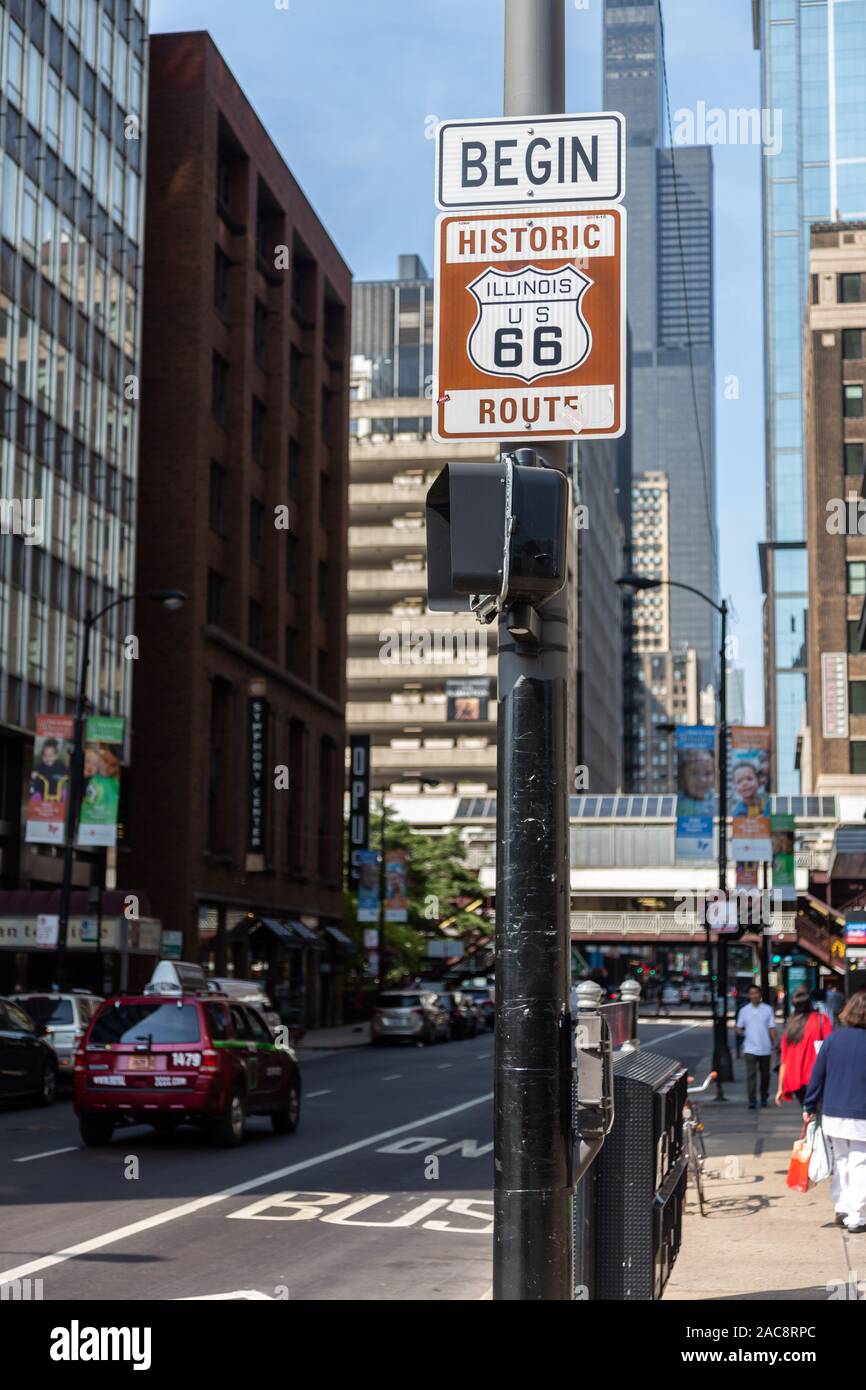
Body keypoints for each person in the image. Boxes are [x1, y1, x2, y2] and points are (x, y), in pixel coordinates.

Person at [804, 990, 866, 1234]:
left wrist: (809, 1105)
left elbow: (817, 1075)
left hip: (833, 1111)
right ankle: (857, 1215)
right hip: (861, 1112)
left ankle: (842, 1207)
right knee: (860, 1161)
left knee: (841, 1160)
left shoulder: (833, 1039)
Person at [775, 987, 832, 1107]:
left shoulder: (790, 1025)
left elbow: (784, 1059)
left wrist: (780, 1088)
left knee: (807, 1110)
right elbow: (831, 1046)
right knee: (817, 1111)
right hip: (815, 1075)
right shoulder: (821, 1020)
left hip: (795, 1078)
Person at [736, 985, 777, 1109]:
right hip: (750, 1048)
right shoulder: (744, 1011)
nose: (754, 995)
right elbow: (738, 1028)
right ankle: (752, 1100)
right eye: (752, 993)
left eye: (756, 993)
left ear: (760, 994)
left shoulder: (768, 1009)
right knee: (751, 1075)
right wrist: (745, 1033)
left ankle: (764, 1097)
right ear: (749, 996)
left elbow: (772, 1028)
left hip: (765, 1048)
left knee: (765, 1075)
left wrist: (775, 1042)